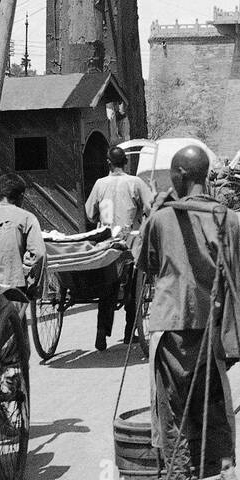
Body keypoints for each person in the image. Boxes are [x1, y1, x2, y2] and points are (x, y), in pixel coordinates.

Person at [138, 144, 240, 480]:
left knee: (171, 405)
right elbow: (236, 275)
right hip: (214, 325)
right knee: (211, 397)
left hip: (172, 323)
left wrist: (155, 210)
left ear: (180, 176)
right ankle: (216, 467)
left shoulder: (161, 218)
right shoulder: (228, 219)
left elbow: (145, 263)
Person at [0, 174, 46, 441]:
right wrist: (29, 280)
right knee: (13, 356)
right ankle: (2, 415)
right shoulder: (26, 218)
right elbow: (38, 254)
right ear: (21, 196)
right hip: (11, 294)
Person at [85, 144, 154, 351]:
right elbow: (151, 208)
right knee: (134, 286)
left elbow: (90, 213)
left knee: (108, 286)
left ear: (108, 163)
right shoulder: (135, 182)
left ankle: (101, 333)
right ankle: (129, 331)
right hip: (130, 241)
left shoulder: (99, 184)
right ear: (125, 162)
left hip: (106, 243)